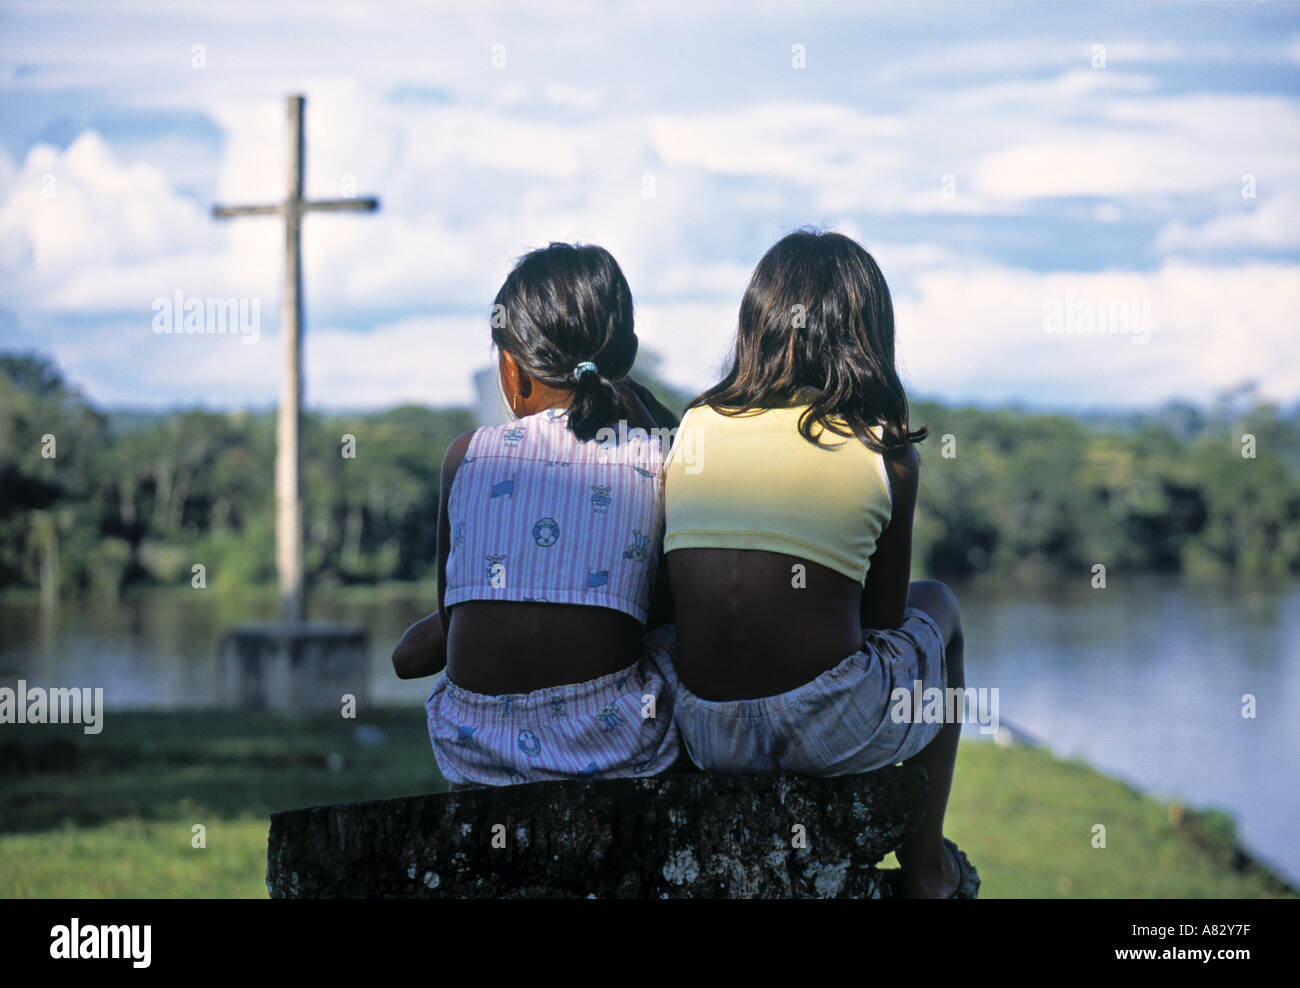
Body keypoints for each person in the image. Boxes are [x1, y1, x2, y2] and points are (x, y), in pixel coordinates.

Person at [658, 229, 975, 897]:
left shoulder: (695, 427)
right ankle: (925, 869)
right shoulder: (884, 450)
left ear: (757, 324)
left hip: (705, 729)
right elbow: (885, 622)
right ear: (868, 334)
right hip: (831, 732)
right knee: (940, 605)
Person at [391, 242, 682, 788]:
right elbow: (670, 610)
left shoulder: (467, 455)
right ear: (630, 351)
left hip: (472, 751)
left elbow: (454, 615)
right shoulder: (659, 458)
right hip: (620, 745)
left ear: (512, 369)